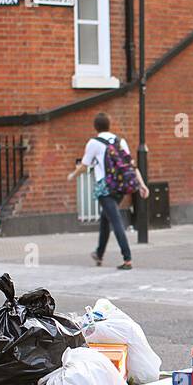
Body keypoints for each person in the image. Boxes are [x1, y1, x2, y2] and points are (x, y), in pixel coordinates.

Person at [68, 113, 149, 269]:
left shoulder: (94, 143)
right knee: (106, 218)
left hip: (105, 189)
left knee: (115, 220)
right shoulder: (120, 141)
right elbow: (131, 165)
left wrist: (72, 175)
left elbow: (84, 166)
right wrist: (142, 184)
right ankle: (99, 254)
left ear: (95, 126)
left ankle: (127, 258)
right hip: (120, 187)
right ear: (109, 124)